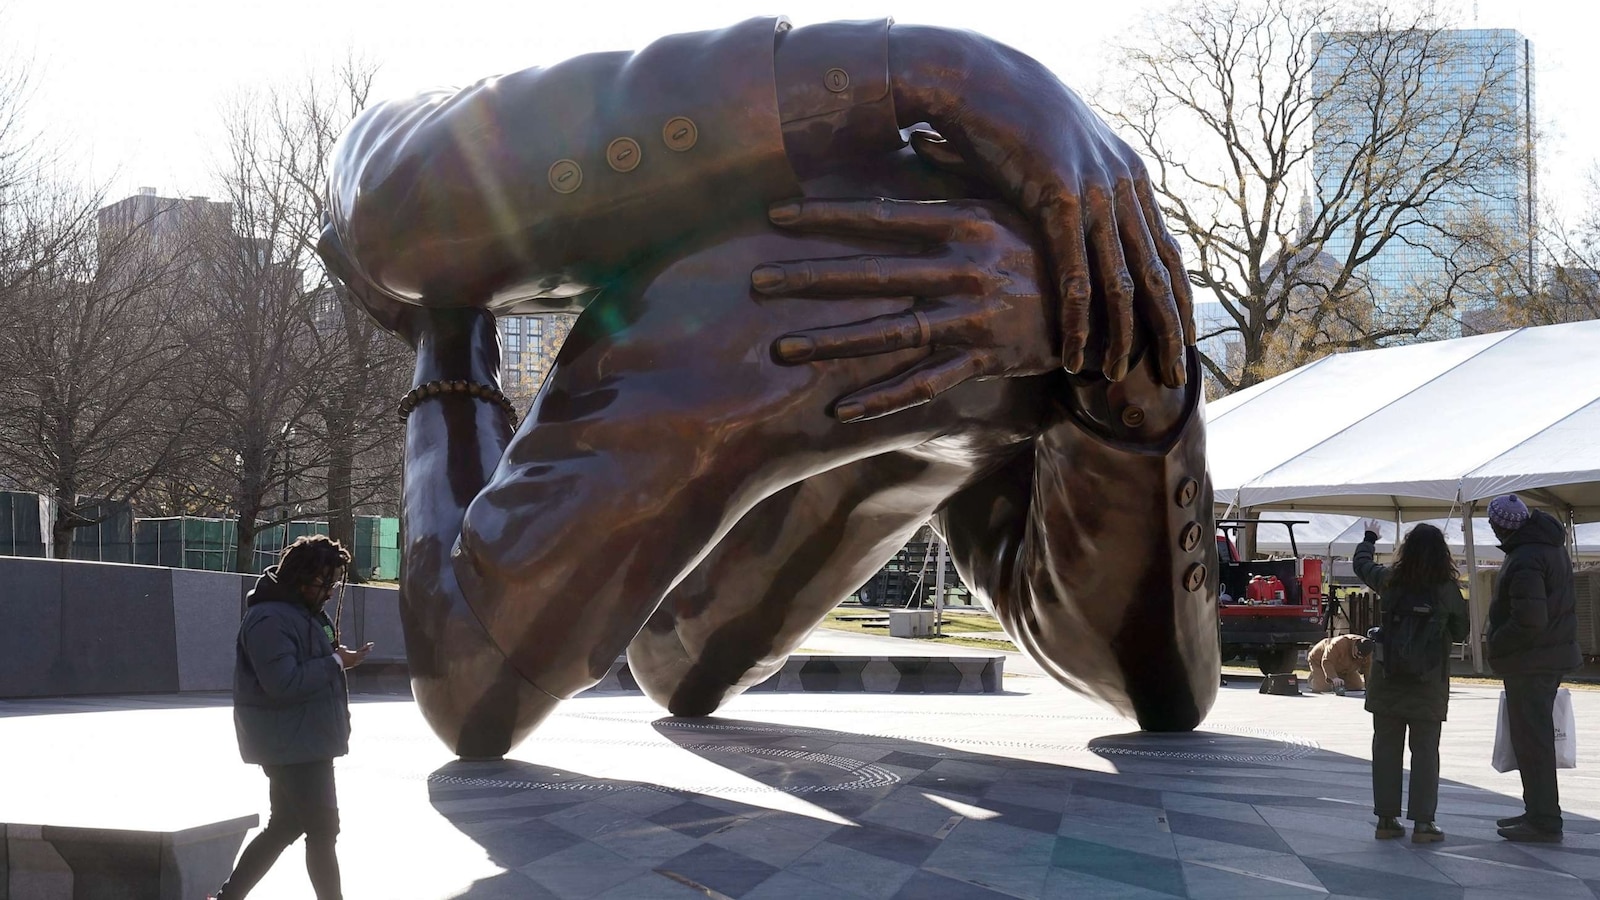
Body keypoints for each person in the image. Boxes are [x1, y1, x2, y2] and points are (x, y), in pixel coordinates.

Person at [320, 16, 1218, 760]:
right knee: (660, 658)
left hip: (838, 344)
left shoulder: (1020, 285)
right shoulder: (433, 198)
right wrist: (926, 71)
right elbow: (385, 210)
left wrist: (1117, 346)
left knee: (668, 661)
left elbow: (1156, 684)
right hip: (769, 311)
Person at [212, 536, 374, 900]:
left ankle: (228, 897)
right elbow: (282, 683)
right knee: (322, 830)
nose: (330, 591)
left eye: (333, 582)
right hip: (292, 745)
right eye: (324, 582)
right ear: (301, 578)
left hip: (301, 741)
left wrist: (337, 657)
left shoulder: (302, 612)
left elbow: (303, 664)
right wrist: (335, 662)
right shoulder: (269, 618)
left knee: (285, 826)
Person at [1353, 521, 1469, 843]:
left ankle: (1386, 821)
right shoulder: (1447, 590)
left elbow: (1361, 565)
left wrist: (1369, 538)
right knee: (1425, 753)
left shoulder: (1391, 581)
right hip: (1428, 682)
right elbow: (1461, 632)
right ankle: (1423, 824)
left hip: (1388, 678)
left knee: (1386, 749)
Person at [1485, 494, 1582, 843]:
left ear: (1502, 525)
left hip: (1532, 661)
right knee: (1533, 739)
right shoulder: (1546, 546)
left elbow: (1529, 619)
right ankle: (1539, 812)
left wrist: (1495, 642)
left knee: (1533, 741)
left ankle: (1543, 818)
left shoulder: (1526, 557)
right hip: (1546, 657)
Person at [1307, 633, 1372, 695]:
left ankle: (1336, 677)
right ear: (1356, 646)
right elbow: (1327, 661)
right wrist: (1334, 677)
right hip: (1319, 661)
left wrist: (1369, 687)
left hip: (1344, 667)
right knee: (1323, 688)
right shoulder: (1338, 643)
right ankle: (1313, 678)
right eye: (1358, 654)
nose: (1360, 657)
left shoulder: (1367, 652)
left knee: (1356, 686)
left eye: (1362, 657)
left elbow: (1367, 669)